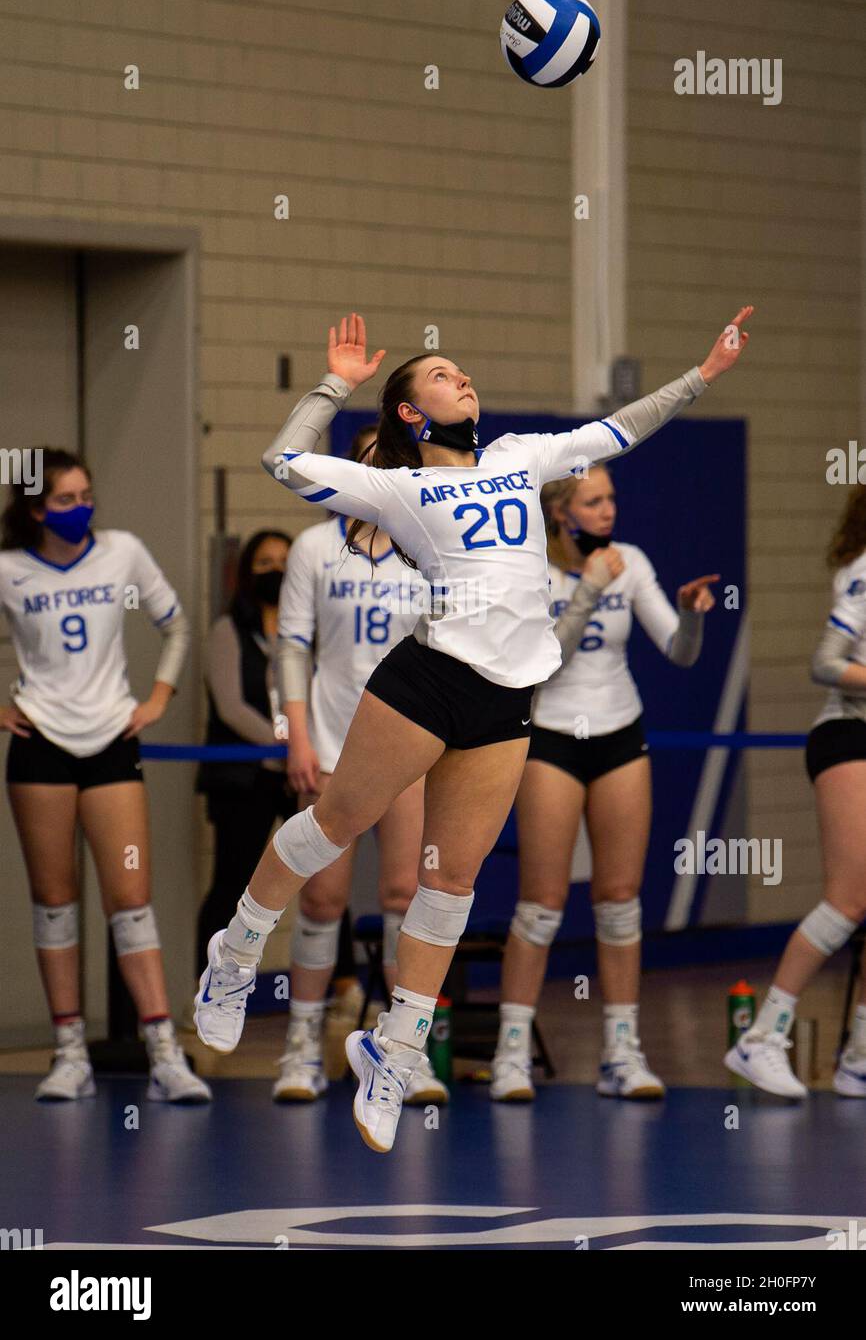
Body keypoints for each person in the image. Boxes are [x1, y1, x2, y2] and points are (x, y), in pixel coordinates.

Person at [195, 308, 752, 1152]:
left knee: (450, 882)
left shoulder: (521, 457)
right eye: (441, 375)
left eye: (461, 370)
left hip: (509, 698)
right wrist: (334, 384)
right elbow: (282, 461)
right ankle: (235, 954)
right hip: (431, 678)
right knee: (337, 824)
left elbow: (620, 431)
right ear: (413, 414)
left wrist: (702, 374)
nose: (463, 379)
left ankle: (395, 1047)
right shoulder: (401, 486)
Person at [491, 463, 716, 1102]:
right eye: (593, 501)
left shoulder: (631, 561)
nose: (608, 511)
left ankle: (622, 1052)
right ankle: (513, 1054)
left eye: (612, 498)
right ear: (561, 511)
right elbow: (541, 663)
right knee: (541, 905)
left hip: (620, 733)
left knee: (619, 900)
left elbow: (679, 651)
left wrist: (689, 614)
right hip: (552, 736)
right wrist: (586, 590)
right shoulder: (532, 570)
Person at [0, 449, 210, 1103]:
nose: (81, 508)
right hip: (40, 747)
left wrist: (157, 698)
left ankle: (164, 1054)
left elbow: (176, 626)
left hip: (112, 743)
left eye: (87, 494)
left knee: (130, 897)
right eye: (66, 499)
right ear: (35, 509)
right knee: (55, 902)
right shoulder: (9, 569)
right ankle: (69, 1053)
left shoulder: (121, 552)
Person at [273, 427, 445, 1104]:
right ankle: (300, 1046)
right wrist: (296, 737)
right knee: (320, 899)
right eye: (374, 455)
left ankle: (404, 1052)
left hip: (408, 745)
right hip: (332, 744)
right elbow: (290, 646)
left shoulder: (428, 545)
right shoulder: (314, 548)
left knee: (406, 897)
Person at [725, 485, 866, 1098]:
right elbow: (826, 663)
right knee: (848, 901)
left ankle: (859, 1057)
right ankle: (762, 1037)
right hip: (848, 734)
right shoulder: (863, 571)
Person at [195, 529, 296, 973]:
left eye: (284, 562)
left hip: (299, 771)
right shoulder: (228, 629)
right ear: (246, 574)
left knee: (319, 878)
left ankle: (344, 988)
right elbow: (231, 706)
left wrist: (301, 747)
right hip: (243, 775)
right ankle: (209, 982)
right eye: (264, 563)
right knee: (233, 883)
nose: (276, 571)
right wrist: (284, 742)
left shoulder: (305, 628)